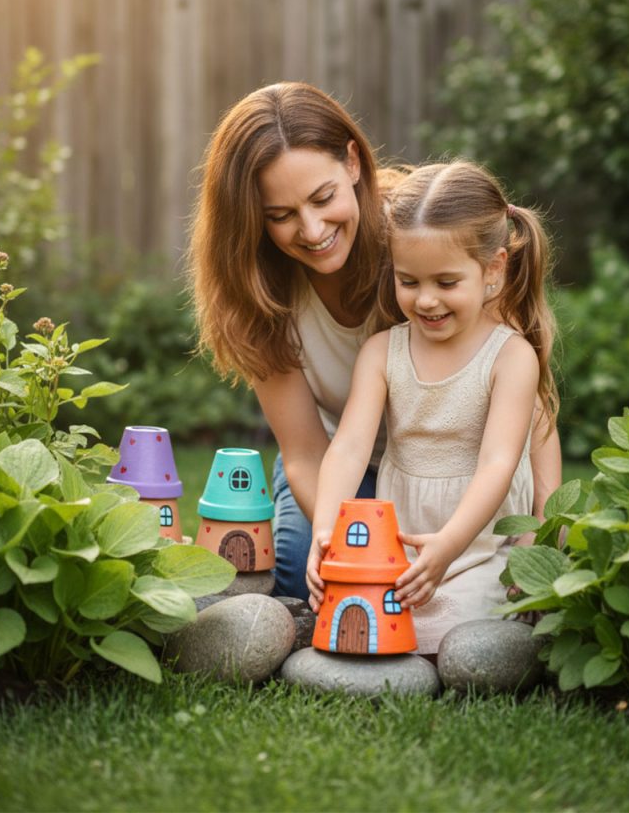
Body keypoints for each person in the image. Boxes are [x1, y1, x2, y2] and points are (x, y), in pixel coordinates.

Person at [190, 83, 560, 601]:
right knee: (303, 568)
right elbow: (304, 454)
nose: (313, 229)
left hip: (459, 469)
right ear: (251, 217)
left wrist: (545, 523)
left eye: (323, 198)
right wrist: (342, 543)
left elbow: (526, 399)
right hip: (343, 463)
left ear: (353, 163)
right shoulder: (260, 294)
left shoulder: (425, 241)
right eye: (280, 215)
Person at [307, 160, 559, 655]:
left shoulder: (510, 357)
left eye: (446, 283)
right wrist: (326, 529)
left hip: (477, 540)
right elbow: (350, 447)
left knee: (450, 637)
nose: (425, 301)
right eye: (409, 281)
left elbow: (498, 465)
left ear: (493, 270)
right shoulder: (382, 351)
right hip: (397, 539)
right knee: (368, 620)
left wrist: (447, 547)